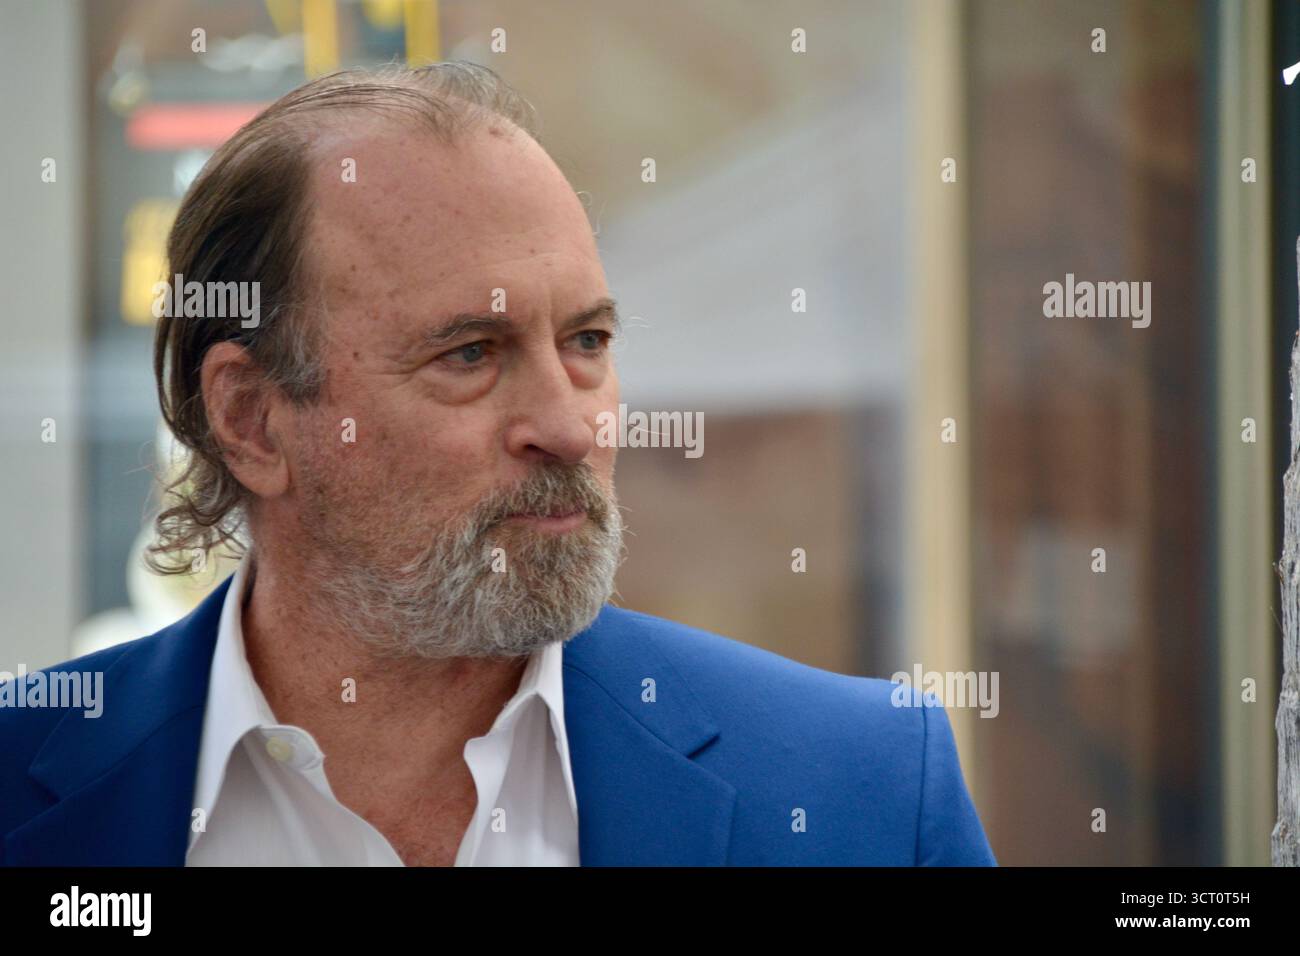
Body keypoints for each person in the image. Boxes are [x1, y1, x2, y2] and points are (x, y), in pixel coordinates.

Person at [0, 62, 995, 866]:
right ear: (254, 420)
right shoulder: (28, 784)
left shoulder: (857, 790)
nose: (568, 427)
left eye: (588, 342)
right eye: (469, 354)